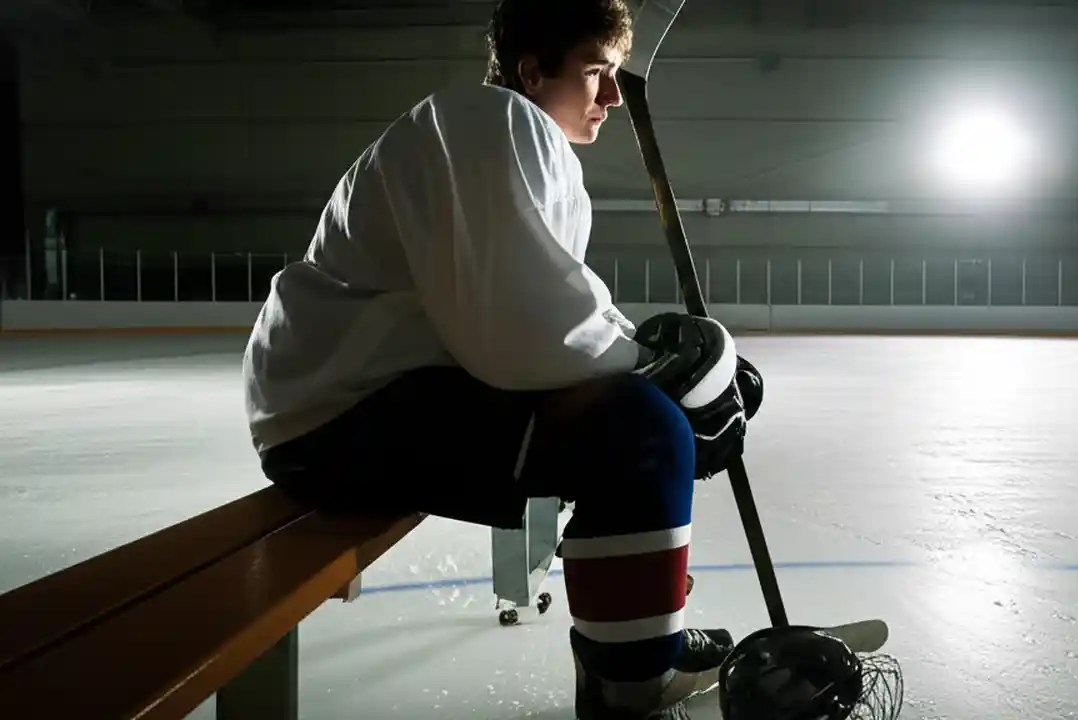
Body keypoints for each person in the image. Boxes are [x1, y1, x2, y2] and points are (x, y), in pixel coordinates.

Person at [241, 0, 762, 717]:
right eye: (594, 73)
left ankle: (631, 641)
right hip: (342, 417)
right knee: (642, 432)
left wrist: (650, 362)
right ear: (532, 70)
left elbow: (545, 307)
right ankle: (633, 679)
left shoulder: (507, 137)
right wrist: (657, 379)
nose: (612, 95)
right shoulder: (492, 121)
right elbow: (521, 328)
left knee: (647, 424)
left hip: (360, 402)